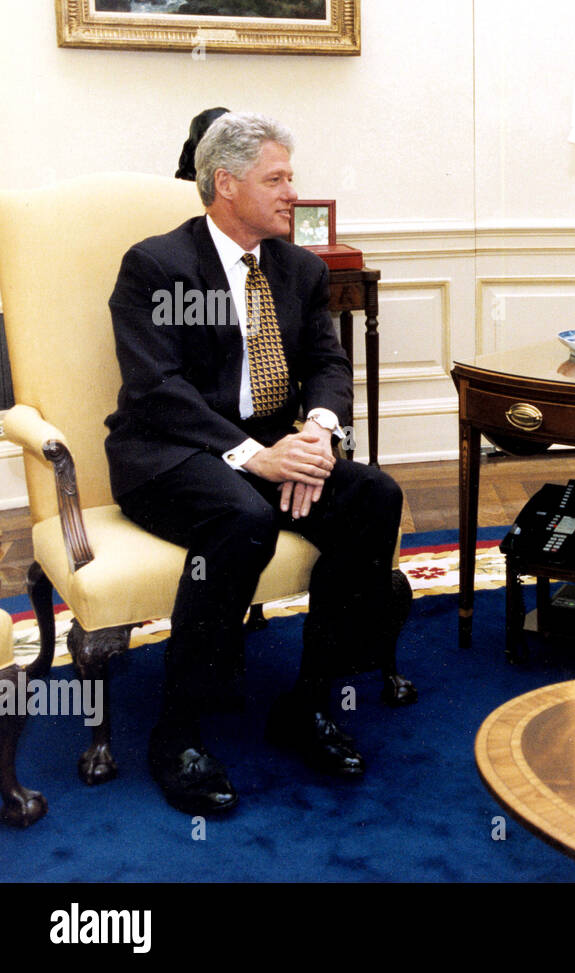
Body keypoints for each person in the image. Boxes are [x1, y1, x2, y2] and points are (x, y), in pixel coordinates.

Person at [106, 112, 409, 815]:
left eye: (292, 177)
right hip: (170, 451)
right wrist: (255, 457)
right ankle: (177, 732)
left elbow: (328, 364)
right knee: (242, 517)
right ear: (225, 184)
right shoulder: (157, 264)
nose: (291, 193)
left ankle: (305, 704)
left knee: (374, 497)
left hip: (274, 443)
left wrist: (317, 436)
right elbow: (155, 389)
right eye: (276, 179)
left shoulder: (297, 268)